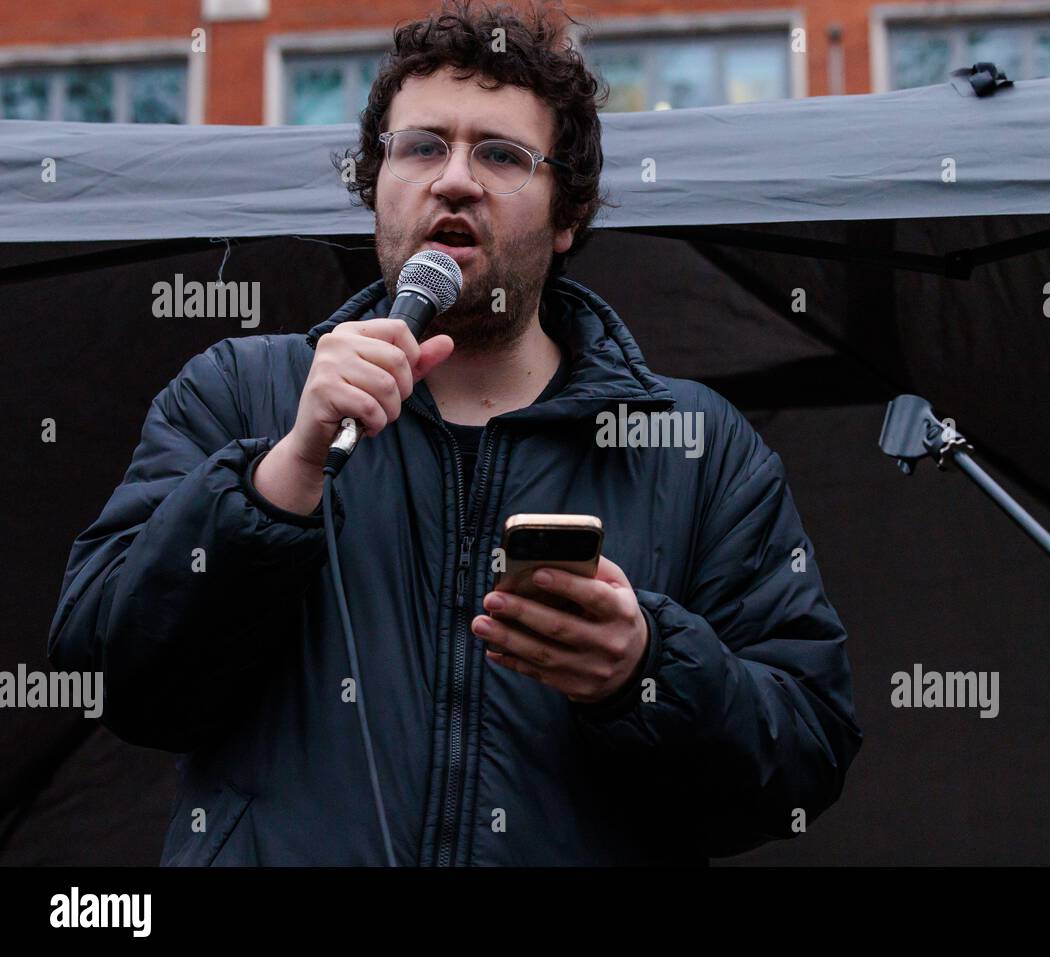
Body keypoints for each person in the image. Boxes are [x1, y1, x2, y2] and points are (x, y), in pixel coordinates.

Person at [47, 0, 862, 866]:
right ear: (377, 188)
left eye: (502, 155)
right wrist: (280, 477)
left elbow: (806, 751)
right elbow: (115, 678)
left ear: (567, 217)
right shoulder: (240, 394)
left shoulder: (697, 445)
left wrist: (646, 670)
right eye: (423, 146)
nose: (455, 179)